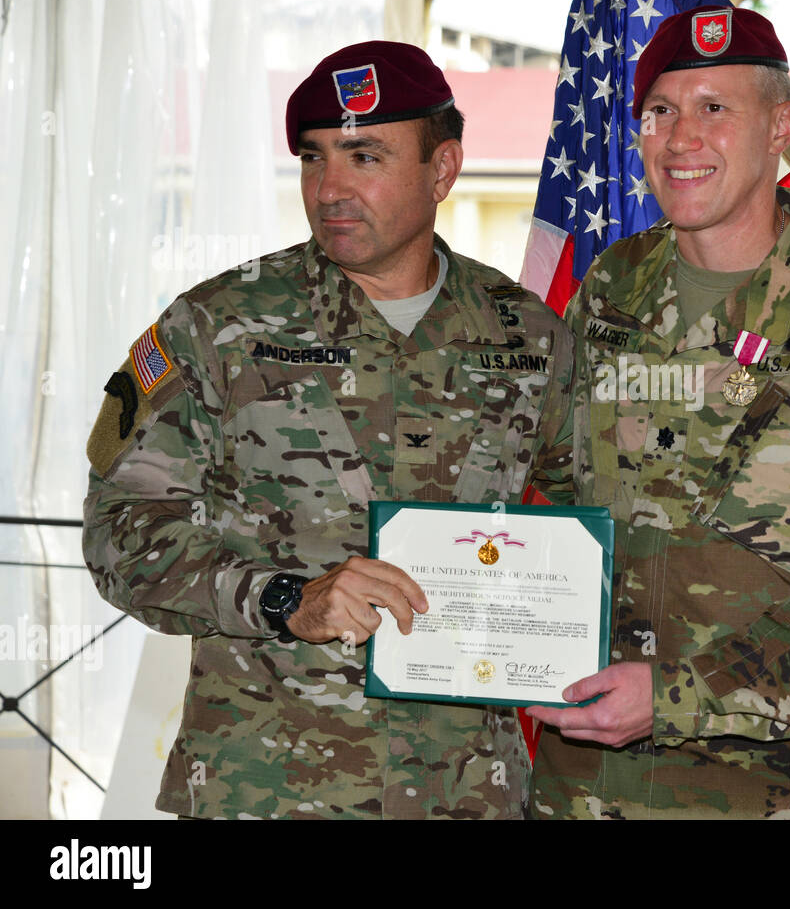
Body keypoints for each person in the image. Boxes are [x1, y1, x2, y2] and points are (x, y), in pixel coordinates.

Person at [82, 41, 573, 819]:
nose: (331, 189)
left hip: (466, 791)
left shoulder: (530, 338)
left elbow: (599, 532)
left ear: (442, 170)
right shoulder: (217, 326)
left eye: (365, 156)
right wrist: (284, 598)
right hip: (265, 786)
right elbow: (120, 536)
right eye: (315, 159)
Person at [525, 6, 790, 818]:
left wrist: (680, 696)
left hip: (782, 792)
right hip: (589, 790)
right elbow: (548, 476)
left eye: (714, 108)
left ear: (781, 128)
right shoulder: (611, 291)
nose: (681, 137)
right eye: (660, 112)